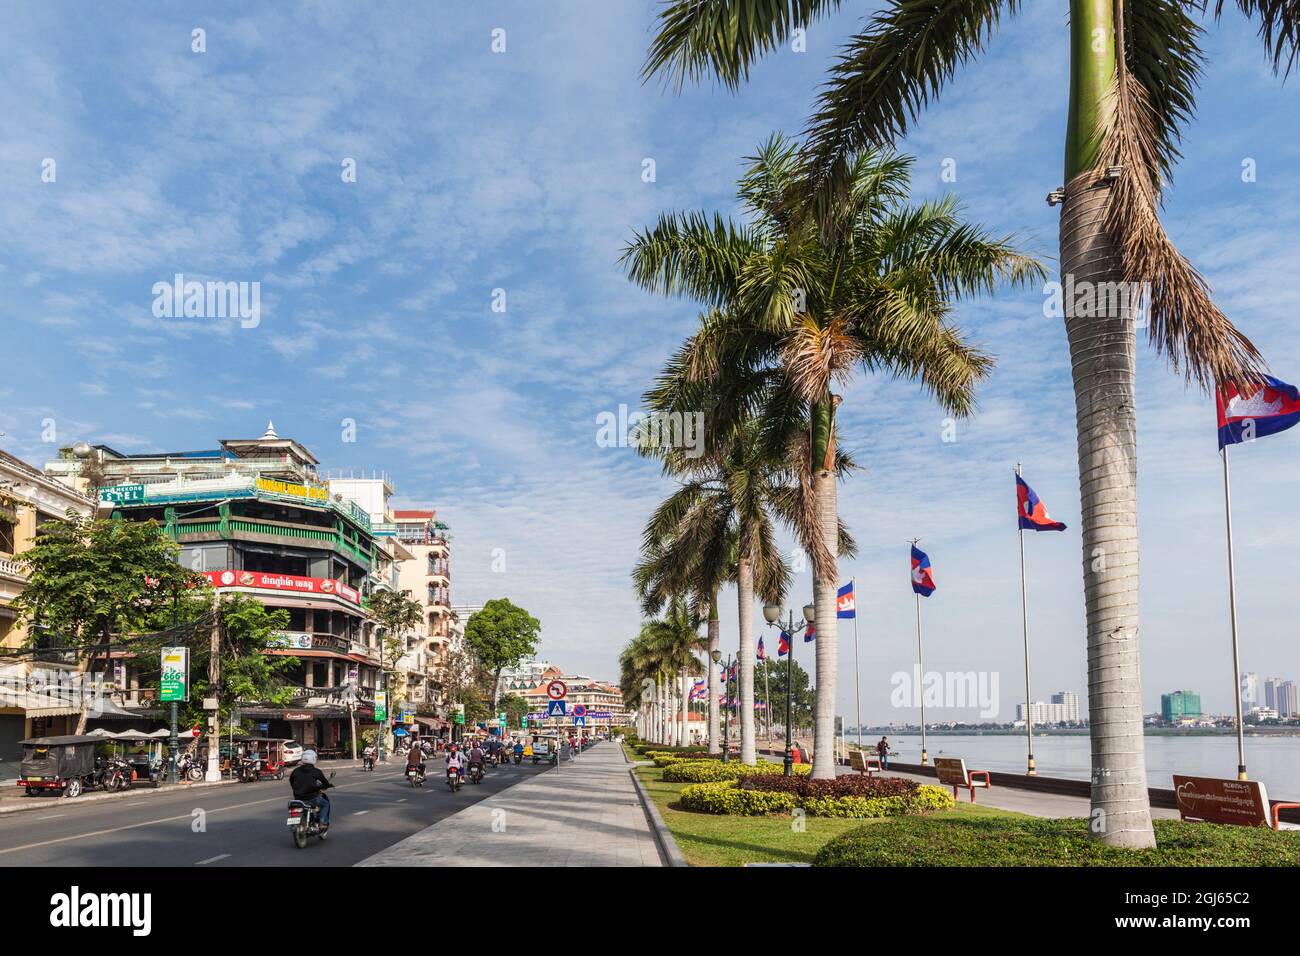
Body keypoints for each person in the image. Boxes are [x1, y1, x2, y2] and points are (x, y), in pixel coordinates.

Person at [289, 750, 333, 832]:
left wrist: (296, 789)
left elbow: (291, 781)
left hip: (298, 799)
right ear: (313, 759)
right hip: (312, 798)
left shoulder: (295, 771)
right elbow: (325, 782)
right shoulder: (316, 771)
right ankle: (322, 822)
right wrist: (328, 785)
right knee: (325, 804)